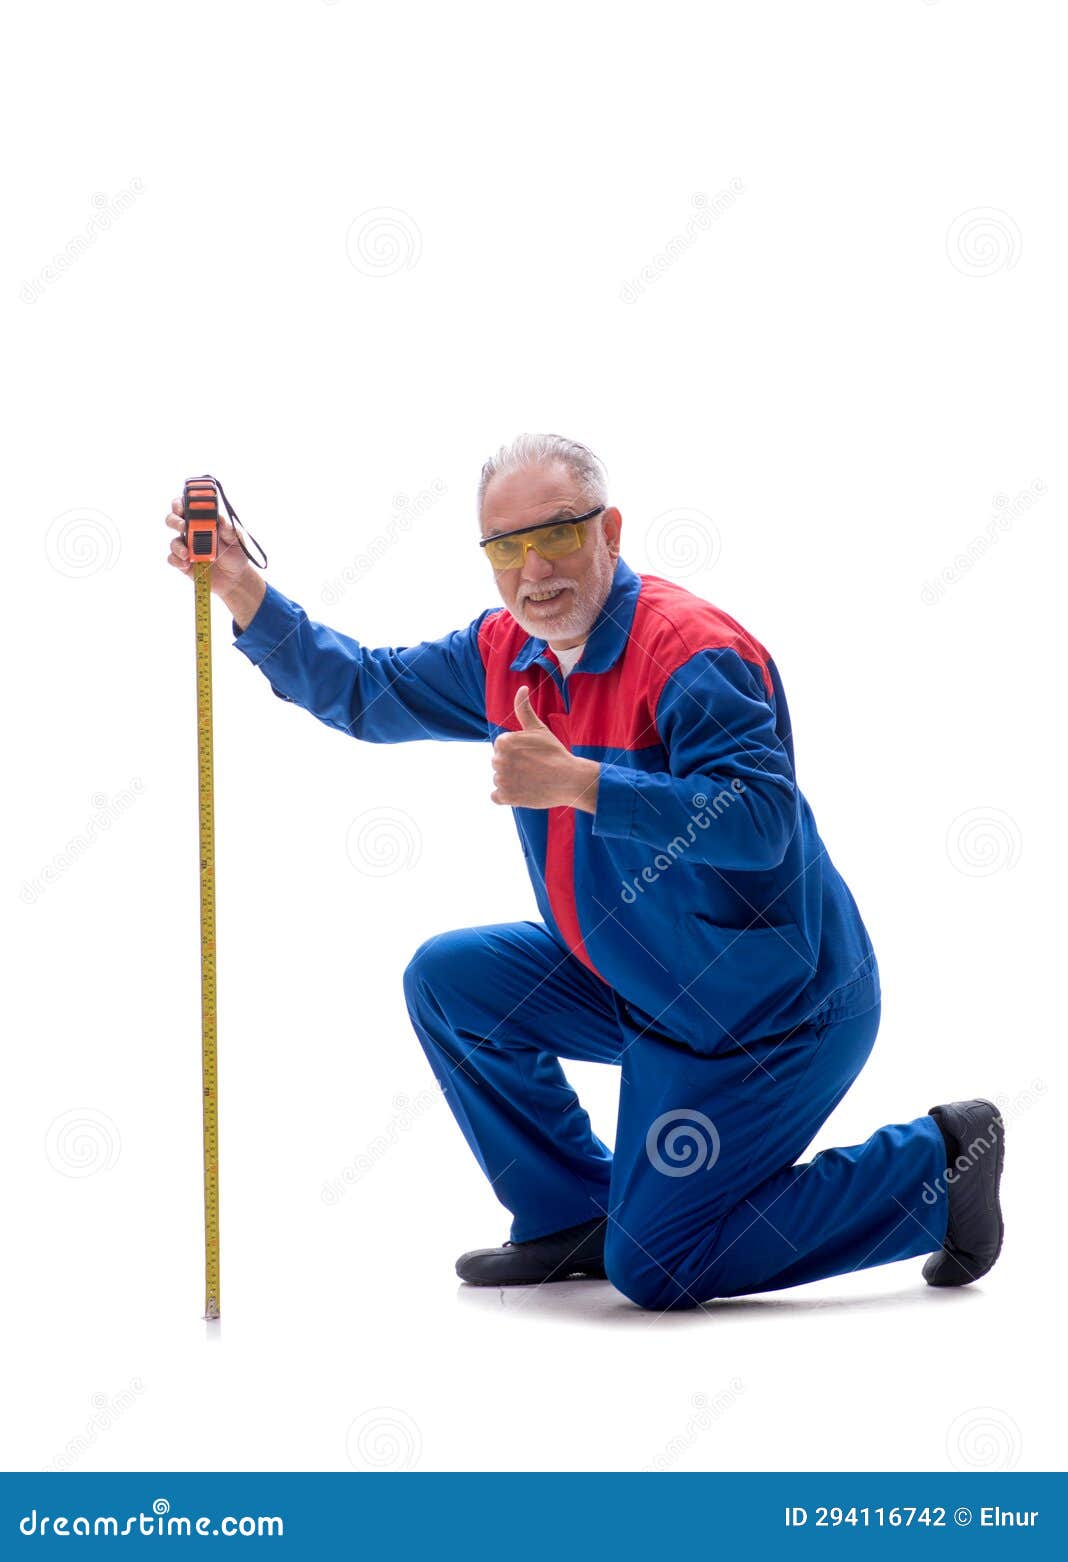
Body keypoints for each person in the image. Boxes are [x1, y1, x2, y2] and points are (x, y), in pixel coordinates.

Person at [165, 436, 1005, 1311]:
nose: (533, 569)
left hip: (768, 1016)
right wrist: (237, 585)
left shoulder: (689, 653)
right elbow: (367, 693)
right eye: (505, 547)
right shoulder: (505, 650)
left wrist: (580, 784)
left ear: (608, 530)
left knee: (659, 1269)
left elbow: (760, 823)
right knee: (452, 982)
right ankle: (575, 1215)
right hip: (639, 978)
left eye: (558, 535)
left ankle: (936, 1172)